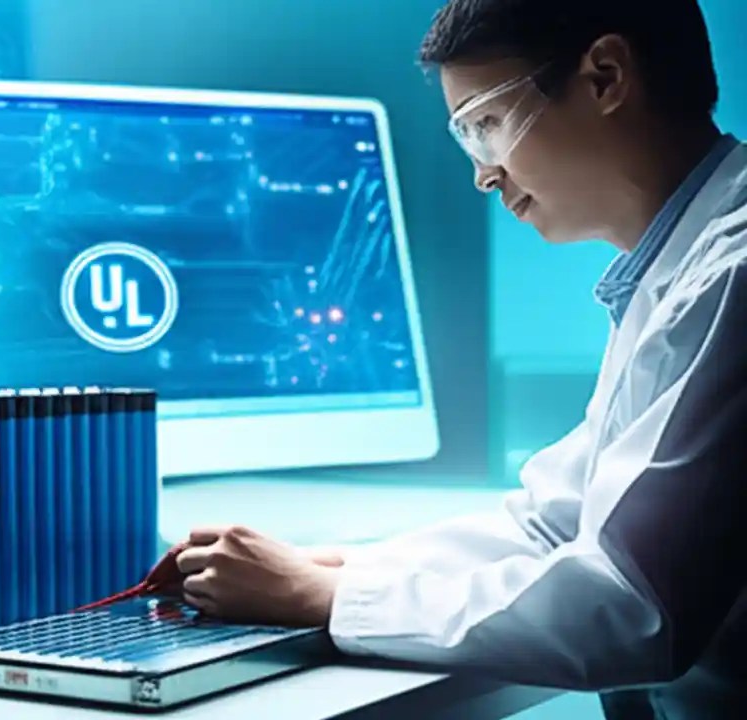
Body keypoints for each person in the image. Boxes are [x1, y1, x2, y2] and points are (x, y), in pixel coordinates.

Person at [165, 1, 747, 717]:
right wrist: (338, 567)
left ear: (603, 78)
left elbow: (632, 611)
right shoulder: (677, 271)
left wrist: (324, 597)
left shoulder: (732, 278)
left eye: (486, 124)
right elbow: (552, 522)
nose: (484, 175)